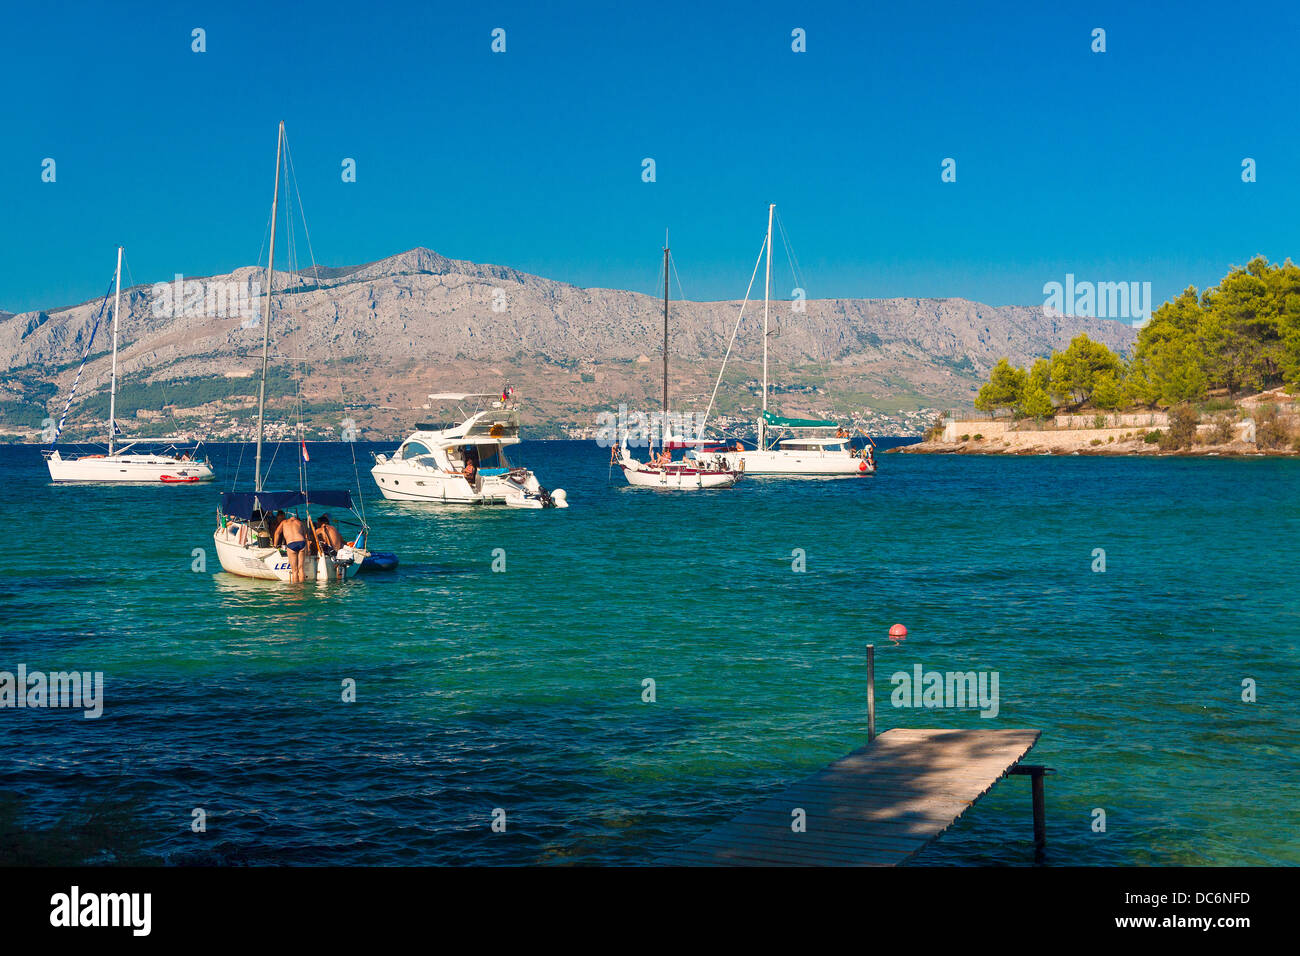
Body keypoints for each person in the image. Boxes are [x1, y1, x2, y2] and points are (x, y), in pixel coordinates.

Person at [272, 511, 308, 583]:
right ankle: (302, 587)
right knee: (301, 569)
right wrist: (309, 549)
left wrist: (275, 545)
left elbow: (277, 533)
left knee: (294, 571)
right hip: (301, 543)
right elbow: (306, 536)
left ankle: (295, 590)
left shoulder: (284, 522)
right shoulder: (300, 522)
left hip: (291, 544)